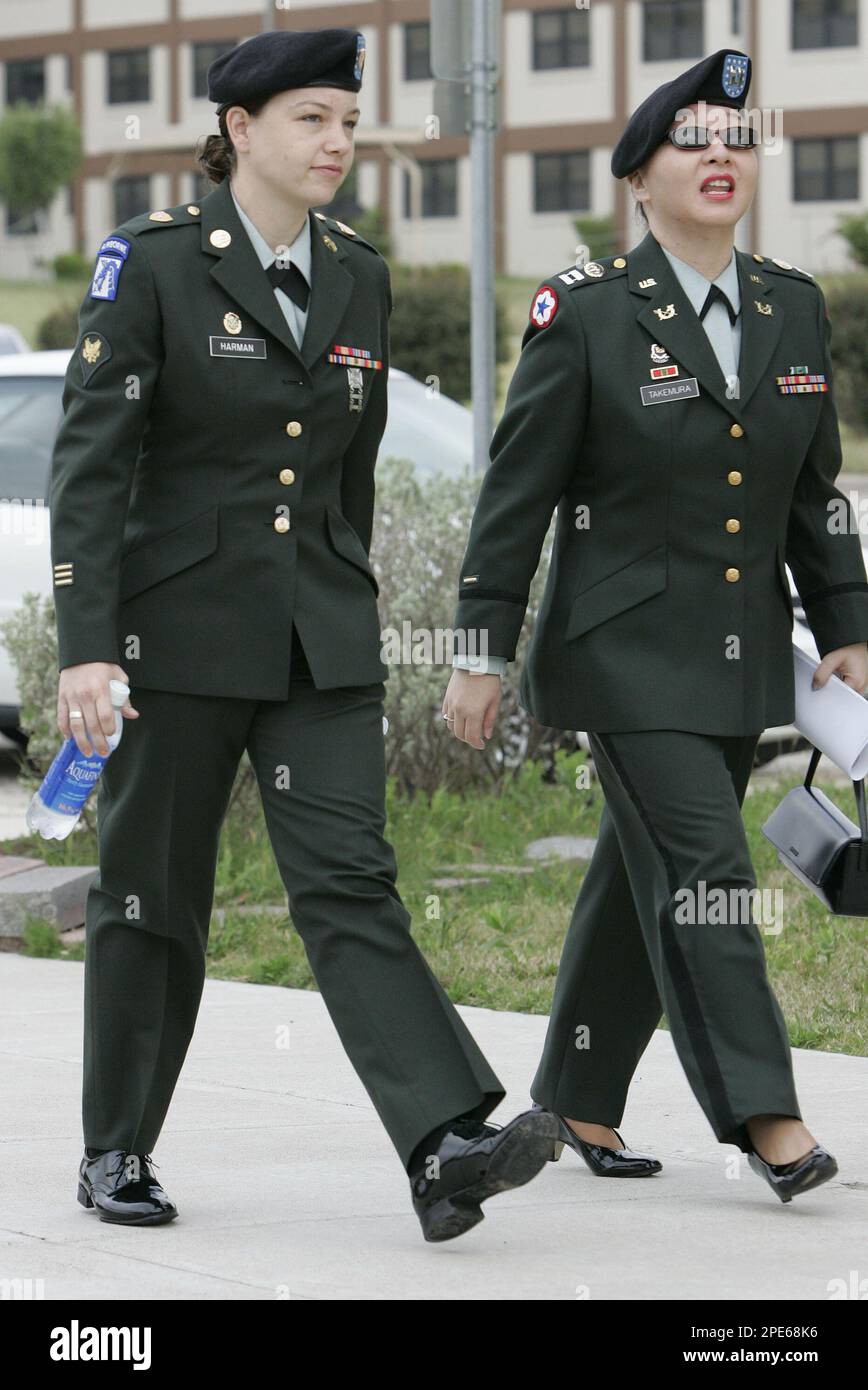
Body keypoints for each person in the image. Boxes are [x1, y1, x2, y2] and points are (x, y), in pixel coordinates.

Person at [50, 26, 557, 1243]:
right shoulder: (155, 265)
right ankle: (116, 1143)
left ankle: (443, 1144)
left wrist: (351, 596)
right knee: (151, 897)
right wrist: (87, 642)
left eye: (345, 119)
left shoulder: (358, 275)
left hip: (318, 641)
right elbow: (90, 469)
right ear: (239, 132)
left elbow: (350, 474)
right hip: (174, 640)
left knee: (349, 881)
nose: (337, 142)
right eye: (310, 119)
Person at [442, 49, 868, 1203]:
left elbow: (813, 495)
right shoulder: (584, 313)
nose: (720, 156)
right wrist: (478, 650)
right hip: (620, 656)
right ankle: (767, 1116)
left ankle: (575, 1092)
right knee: (703, 870)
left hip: (738, 660)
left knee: (638, 880)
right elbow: (514, 495)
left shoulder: (789, 307)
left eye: (737, 139)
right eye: (691, 140)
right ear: (639, 176)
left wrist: (846, 624)